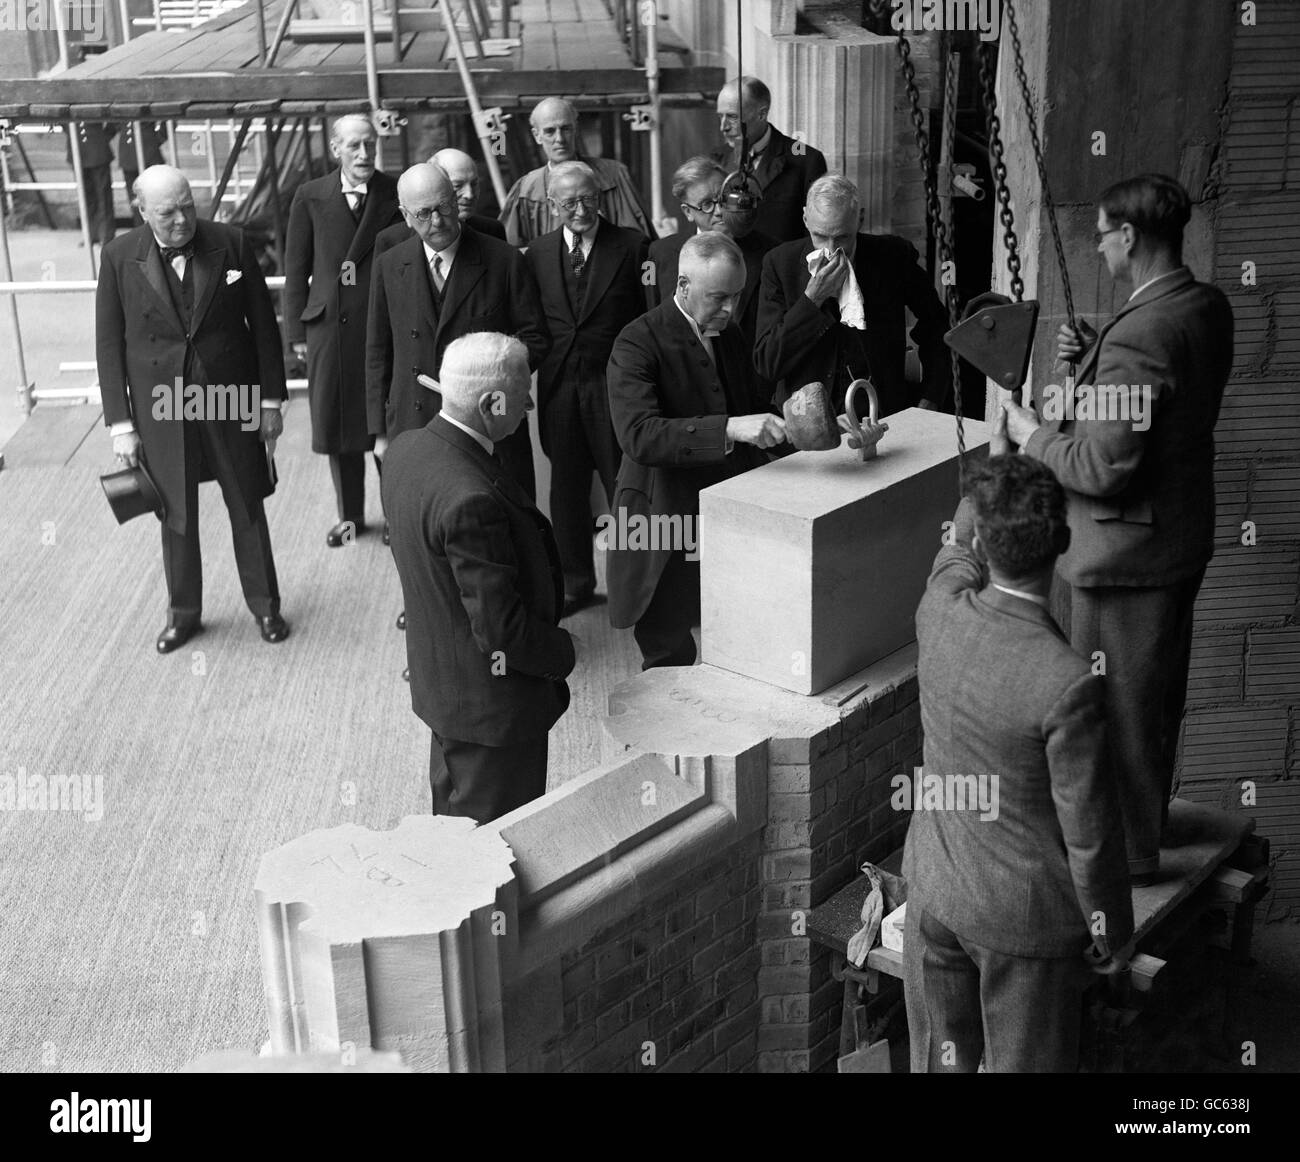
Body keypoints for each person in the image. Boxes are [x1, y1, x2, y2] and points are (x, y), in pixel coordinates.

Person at [1004, 173, 1235, 883]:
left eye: (1103, 236)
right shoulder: (1204, 305)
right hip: (1173, 540)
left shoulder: (1142, 337)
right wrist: (1092, 359)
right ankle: (1143, 829)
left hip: (1119, 559)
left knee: (1115, 717)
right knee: (1151, 700)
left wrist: (1032, 431)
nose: (1100, 249)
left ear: (1129, 236)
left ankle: (1127, 861)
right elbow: (1152, 402)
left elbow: (1105, 468)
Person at [904, 451, 1134, 1073]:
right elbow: (1091, 835)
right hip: (1021, 928)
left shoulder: (938, 609)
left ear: (982, 536)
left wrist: (995, 467)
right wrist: (1112, 937)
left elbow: (955, 545)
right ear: (1062, 541)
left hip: (934, 893)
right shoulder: (1067, 682)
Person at [383, 333, 575, 824]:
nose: (530, 403)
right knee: (496, 855)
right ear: (491, 403)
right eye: (522, 393)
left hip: (444, 688)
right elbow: (501, 630)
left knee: (452, 828)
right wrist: (561, 652)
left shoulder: (405, 450)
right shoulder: (471, 498)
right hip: (492, 713)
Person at [96, 165, 289, 652]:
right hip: (161, 405)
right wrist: (121, 424)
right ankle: (184, 615)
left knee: (247, 503)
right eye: (167, 212)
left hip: (232, 398)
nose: (182, 220)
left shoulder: (232, 241)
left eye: (187, 205)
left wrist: (270, 401)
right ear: (141, 210)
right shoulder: (118, 256)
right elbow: (108, 345)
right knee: (175, 512)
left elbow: (264, 327)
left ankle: (266, 607)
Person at [606, 232, 785, 669]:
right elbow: (640, 435)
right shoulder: (636, 342)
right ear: (683, 286)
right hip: (661, 519)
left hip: (725, 514)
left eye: (737, 297)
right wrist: (729, 428)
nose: (730, 309)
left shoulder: (730, 333)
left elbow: (755, 414)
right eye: (719, 298)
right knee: (668, 650)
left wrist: (805, 426)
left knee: (734, 632)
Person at [366, 162, 551, 501]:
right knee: (424, 523)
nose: (437, 221)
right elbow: (379, 352)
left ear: (455, 199)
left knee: (508, 523)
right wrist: (378, 433)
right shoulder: (389, 265)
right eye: (423, 214)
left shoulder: (504, 260)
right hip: (415, 419)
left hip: (490, 420)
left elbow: (537, 338)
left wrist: (494, 377)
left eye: (444, 207)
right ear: (405, 216)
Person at [524, 161, 648, 617]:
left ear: (602, 198)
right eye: (570, 201)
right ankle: (576, 584)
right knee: (566, 492)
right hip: (559, 389)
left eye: (589, 199)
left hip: (614, 389)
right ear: (553, 205)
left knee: (626, 488)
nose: (581, 209)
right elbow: (533, 322)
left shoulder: (634, 247)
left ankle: (632, 584)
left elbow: (645, 321)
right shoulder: (536, 253)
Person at [284, 114, 402, 548]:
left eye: (370, 144)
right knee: (339, 426)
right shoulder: (311, 195)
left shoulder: (396, 193)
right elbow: (294, 270)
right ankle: (349, 517)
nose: (364, 153)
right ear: (336, 149)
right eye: (353, 145)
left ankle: (397, 517)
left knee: (387, 423)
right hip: (330, 329)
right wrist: (296, 332)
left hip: (382, 323)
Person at [755, 174, 948, 417]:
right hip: (806, 420)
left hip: (882, 414)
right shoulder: (780, 264)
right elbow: (767, 362)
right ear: (805, 219)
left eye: (842, 237)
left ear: (861, 219)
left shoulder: (894, 256)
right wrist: (812, 300)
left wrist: (931, 396)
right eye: (820, 236)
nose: (830, 249)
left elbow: (937, 323)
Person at [645, 156, 776, 358]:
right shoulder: (660, 254)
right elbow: (654, 325)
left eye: (723, 198)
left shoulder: (771, 254)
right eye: (706, 204)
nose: (719, 211)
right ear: (687, 212)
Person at [498, 97, 653, 247]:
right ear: (537, 136)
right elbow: (509, 250)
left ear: (575, 129)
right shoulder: (527, 189)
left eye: (566, 129)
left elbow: (641, 243)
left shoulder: (614, 176)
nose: (559, 138)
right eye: (550, 131)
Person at [713, 76, 827, 243]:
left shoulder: (806, 160)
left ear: (762, 114)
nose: (723, 127)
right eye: (720, 117)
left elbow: (814, 233)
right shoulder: (716, 158)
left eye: (732, 117)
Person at [374, 148, 506, 254]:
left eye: (474, 184)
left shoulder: (493, 231)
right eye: (458, 185)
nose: (469, 194)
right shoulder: (391, 241)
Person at [119, 120, 167, 226]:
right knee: (135, 200)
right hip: (128, 155)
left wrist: (155, 140)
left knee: (156, 197)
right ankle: (140, 231)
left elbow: (170, 119)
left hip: (149, 155)